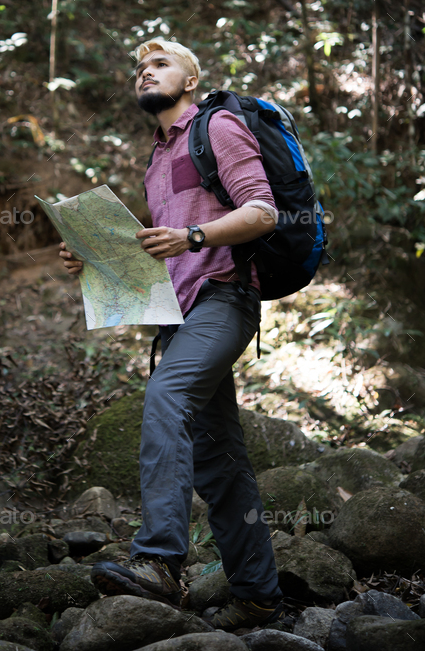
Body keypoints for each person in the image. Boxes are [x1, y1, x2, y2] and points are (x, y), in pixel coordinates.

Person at [59, 38, 283, 630]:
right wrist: (94, 259)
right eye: (138, 68)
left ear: (190, 80)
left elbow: (262, 212)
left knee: (166, 399)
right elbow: (161, 254)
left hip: (225, 299)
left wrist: (194, 236)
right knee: (218, 459)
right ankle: (260, 593)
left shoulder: (219, 127)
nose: (144, 73)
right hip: (180, 315)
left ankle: (159, 561)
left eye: (159, 64)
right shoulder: (157, 157)